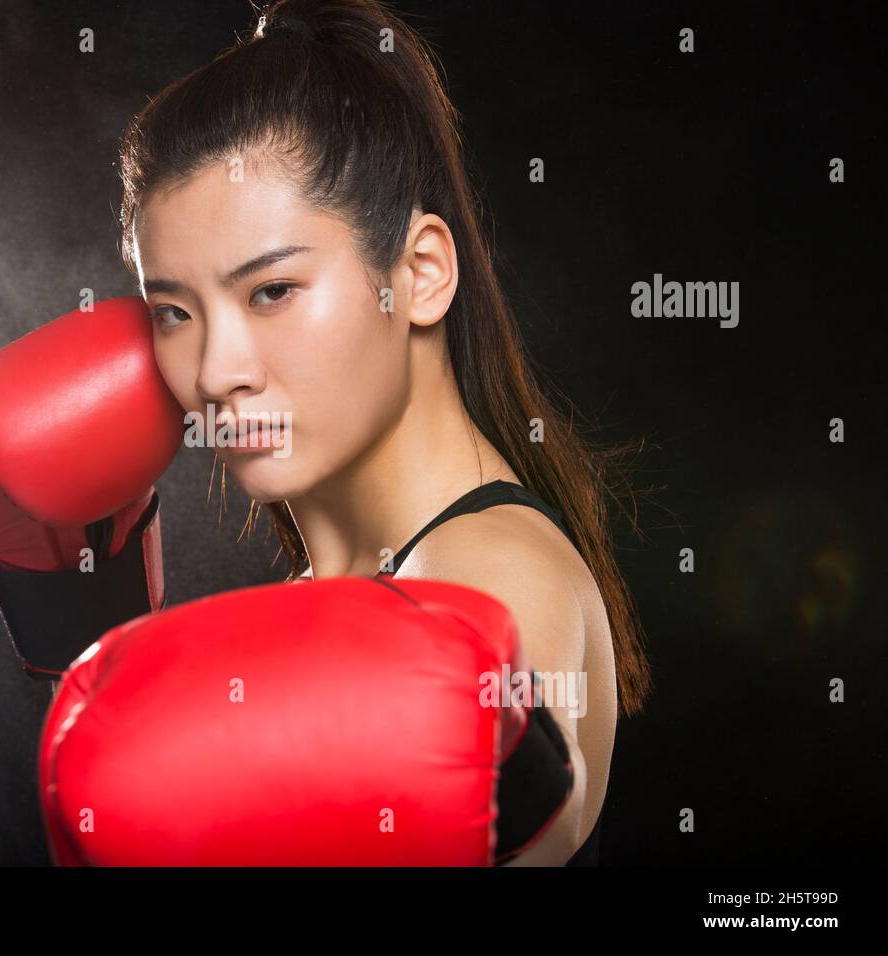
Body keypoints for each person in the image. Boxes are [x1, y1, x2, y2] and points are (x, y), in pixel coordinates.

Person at [110, 0, 653, 864]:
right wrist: (88, 634)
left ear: (422, 274)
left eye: (272, 291)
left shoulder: (485, 574)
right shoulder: (334, 599)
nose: (215, 372)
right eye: (173, 311)